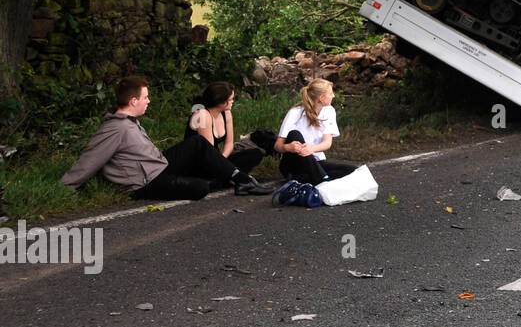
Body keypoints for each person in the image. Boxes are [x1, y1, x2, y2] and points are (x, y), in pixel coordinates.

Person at [61, 76, 277, 199]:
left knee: (198, 145)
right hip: (144, 183)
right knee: (200, 188)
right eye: (145, 97)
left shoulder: (129, 123)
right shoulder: (114, 129)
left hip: (158, 167)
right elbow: (90, 159)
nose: (149, 101)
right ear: (134, 101)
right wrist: (65, 188)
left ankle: (241, 180)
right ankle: (238, 180)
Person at [275, 78, 358, 184]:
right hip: (294, 162)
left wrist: (311, 149)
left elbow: (327, 143)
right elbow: (278, 146)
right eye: (331, 93)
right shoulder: (295, 113)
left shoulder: (329, 111)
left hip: (316, 161)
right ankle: (322, 180)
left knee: (353, 170)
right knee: (294, 134)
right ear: (321, 98)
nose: (333, 96)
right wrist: (289, 147)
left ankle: (308, 179)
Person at [186, 82, 264, 176]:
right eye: (230, 99)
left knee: (255, 154)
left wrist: (223, 161)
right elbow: (209, 151)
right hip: (201, 162)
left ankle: (228, 177)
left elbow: (229, 143)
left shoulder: (226, 113)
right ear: (220, 101)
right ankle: (229, 178)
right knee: (217, 171)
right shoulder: (202, 115)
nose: (232, 102)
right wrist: (223, 165)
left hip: (217, 159)